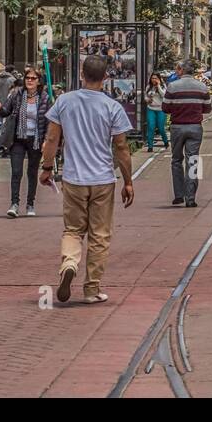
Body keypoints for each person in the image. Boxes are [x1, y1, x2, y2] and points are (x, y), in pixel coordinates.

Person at [39, 55, 135, 304]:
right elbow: (122, 147)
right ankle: (91, 289)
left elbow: (51, 139)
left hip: (73, 178)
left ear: (81, 74)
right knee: (99, 235)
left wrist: (47, 168)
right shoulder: (112, 106)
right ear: (105, 78)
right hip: (103, 178)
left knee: (72, 229)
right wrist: (128, 181)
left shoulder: (64, 102)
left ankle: (69, 263)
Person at [0, 67, 50, 218]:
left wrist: (46, 140)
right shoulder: (17, 94)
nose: (30, 80)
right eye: (28, 78)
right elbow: (6, 110)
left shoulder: (44, 98)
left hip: (35, 141)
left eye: (33, 78)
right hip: (18, 138)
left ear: (39, 82)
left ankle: (30, 204)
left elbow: (48, 121)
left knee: (32, 173)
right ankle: (14, 204)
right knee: (16, 172)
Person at [163, 61, 211, 207]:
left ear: (182, 70)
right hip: (195, 127)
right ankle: (190, 197)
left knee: (176, 160)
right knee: (193, 160)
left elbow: (165, 107)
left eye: (178, 68)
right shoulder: (202, 87)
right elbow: (207, 108)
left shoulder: (172, 86)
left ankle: (179, 195)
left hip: (177, 127)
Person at [144, 74, 169, 152]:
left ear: (159, 79)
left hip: (160, 109)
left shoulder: (163, 86)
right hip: (151, 109)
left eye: (155, 78)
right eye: (152, 78)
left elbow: (164, 95)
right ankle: (150, 146)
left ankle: (165, 141)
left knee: (161, 128)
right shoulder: (149, 87)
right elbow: (145, 96)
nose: (153, 80)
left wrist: (158, 85)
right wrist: (147, 100)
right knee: (151, 127)